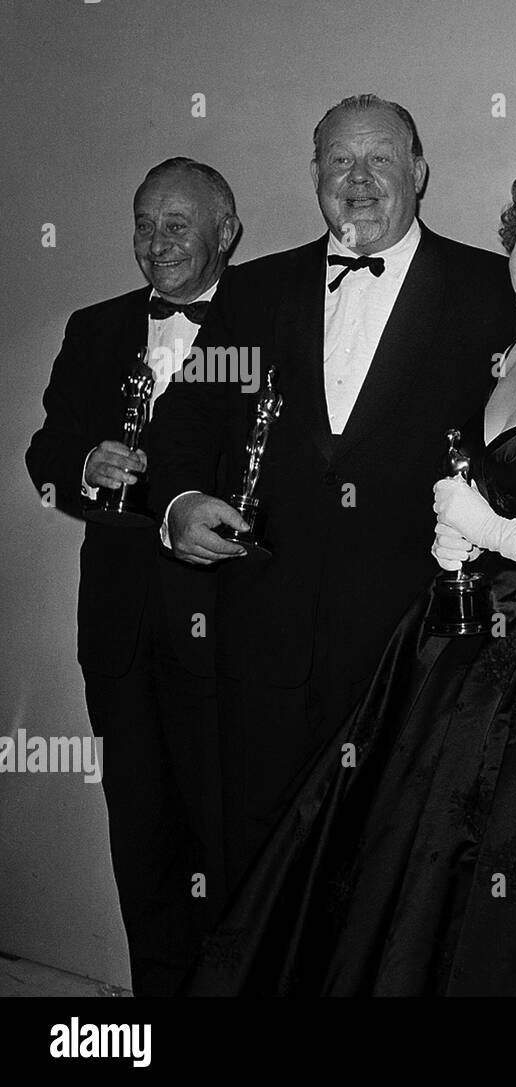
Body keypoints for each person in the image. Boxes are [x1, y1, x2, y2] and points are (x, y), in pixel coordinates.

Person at [184, 156, 516, 996]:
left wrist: (499, 531)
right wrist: (460, 536)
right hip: (460, 634)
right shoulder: (514, 354)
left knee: (497, 878)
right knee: (405, 849)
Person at [149, 96, 516, 907]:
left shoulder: (493, 290)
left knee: (396, 874)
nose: (357, 180)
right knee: (259, 864)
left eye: (379, 160)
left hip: (417, 640)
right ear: (314, 176)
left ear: (418, 173)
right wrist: (178, 502)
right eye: (338, 162)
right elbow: (183, 423)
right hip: (265, 636)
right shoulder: (254, 293)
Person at [25, 158, 238, 994]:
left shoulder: (266, 326)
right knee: (140, 839)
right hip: (116, 632)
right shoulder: (95, 324)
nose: (156, 243)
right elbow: (47, 452)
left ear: (227, 232)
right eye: (145, 225)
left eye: (177, 225)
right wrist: (82, 463)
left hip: (224, 630)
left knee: (226, 841)